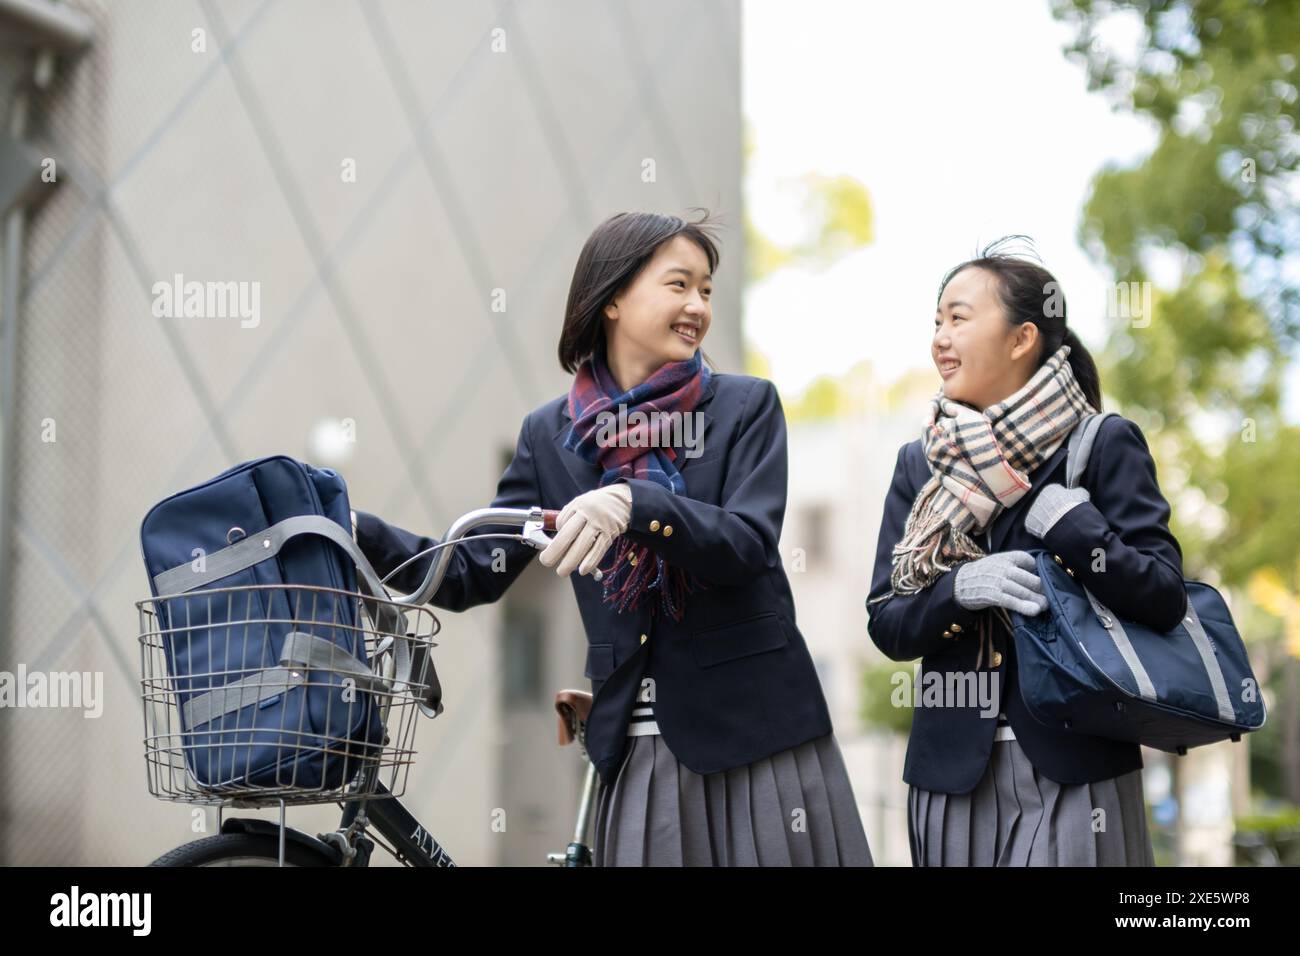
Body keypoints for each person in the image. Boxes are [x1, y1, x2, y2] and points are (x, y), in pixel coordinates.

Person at [355, 210, 872, 866]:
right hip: (637, 745)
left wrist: (634, 503)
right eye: (679, 285)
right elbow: (470, 571)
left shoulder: (745, 407)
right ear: (614, 299)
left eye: (707, 290)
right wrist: (354, 532)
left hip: (760, 738)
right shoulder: (550, 435)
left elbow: (746, 546)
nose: (697, 306)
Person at [866, 236, 1185, 866]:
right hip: (950, 774)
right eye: (936, 321)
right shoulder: (921, 464)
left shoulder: (1101, 443)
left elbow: (1165, 595)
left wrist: (1076, 530)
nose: (940, 337)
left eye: (959, 318)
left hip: (1078, 768)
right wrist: (958, 589)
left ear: (1022, 338)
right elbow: (887, 621)